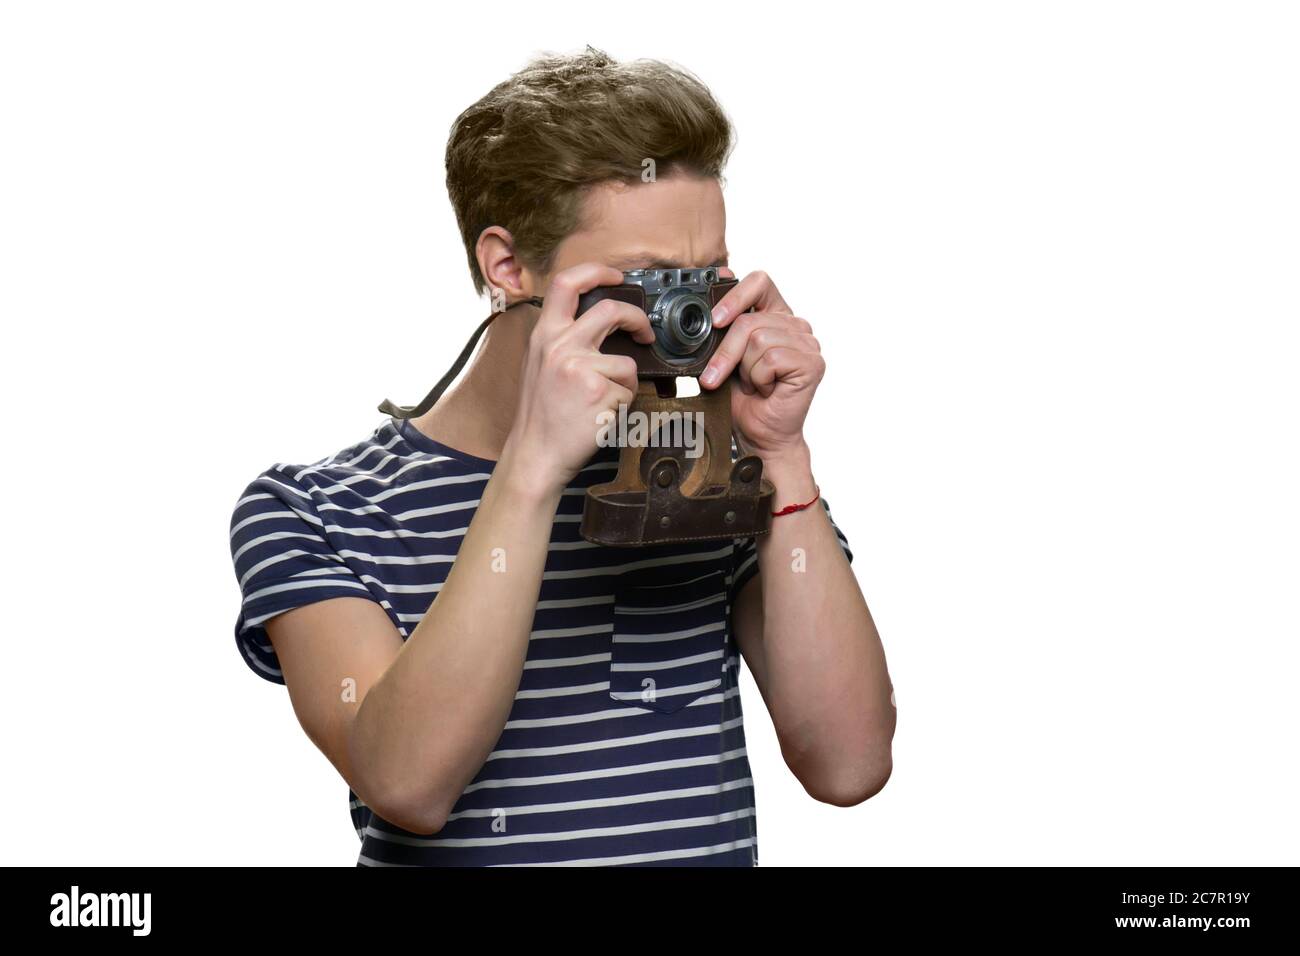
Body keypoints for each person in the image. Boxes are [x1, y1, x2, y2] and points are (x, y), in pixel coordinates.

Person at [228, 46, 895, 866]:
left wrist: (782, 457)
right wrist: (533, 470)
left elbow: (849, 764)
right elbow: (406, 783)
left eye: (705, 278)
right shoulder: (317, 510)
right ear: (507, 266)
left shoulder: (703, 466)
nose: (686, 317)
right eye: (650, 281)